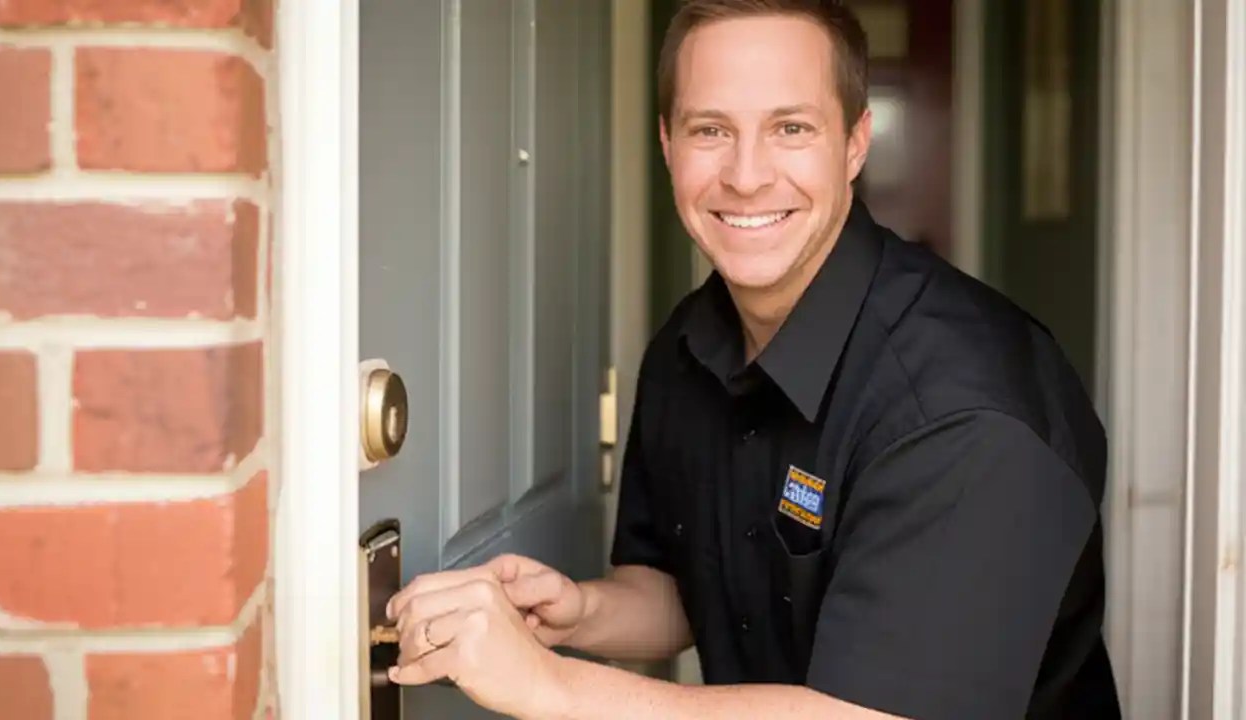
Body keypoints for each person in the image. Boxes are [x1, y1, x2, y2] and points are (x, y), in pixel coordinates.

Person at [385, 1, 1123, 718]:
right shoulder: (686, 349)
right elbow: (698, 593)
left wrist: (551, 686)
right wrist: (580, 614)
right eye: (711, 130)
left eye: (790, 128)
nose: (745, 175)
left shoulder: (965, 415)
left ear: (856, 142)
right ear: (668, 144)